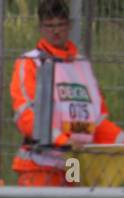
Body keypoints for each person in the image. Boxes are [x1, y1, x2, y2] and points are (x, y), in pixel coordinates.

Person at [10, 0, 124, 187]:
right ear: (41, 28)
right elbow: (26, 115)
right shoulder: (30, 62)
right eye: (49, 26)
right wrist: (65, 142)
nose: (56, 31)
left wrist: (120, 140)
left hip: (74, 162)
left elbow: (98, 122)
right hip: (40, 165)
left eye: (60, 25)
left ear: (69, 25)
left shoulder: (82, 65)